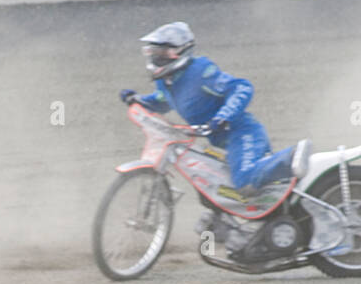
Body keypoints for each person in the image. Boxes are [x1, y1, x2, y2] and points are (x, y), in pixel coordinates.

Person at [119, 21, 306, 203]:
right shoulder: (166, 81)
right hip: (222, 141)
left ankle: (292, 157)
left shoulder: (200, 72)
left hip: (242, 133)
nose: (157, 59)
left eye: (163, 53)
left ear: (181, 51)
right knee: (217, 191)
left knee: (244, 181)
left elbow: (242, 88)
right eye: (153, 53)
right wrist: (137, 100)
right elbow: (161, 102)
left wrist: (223, 117)